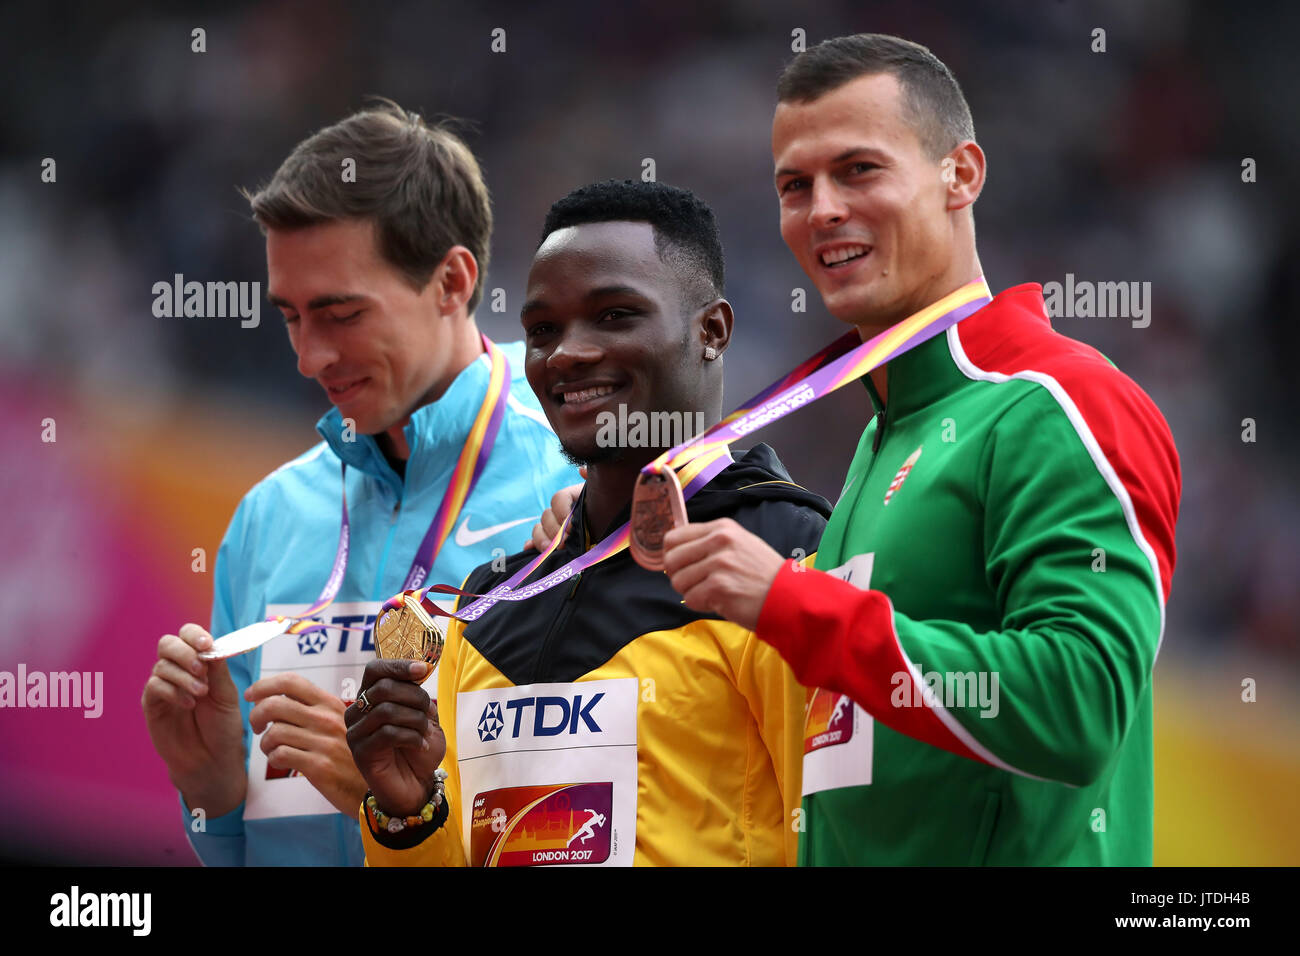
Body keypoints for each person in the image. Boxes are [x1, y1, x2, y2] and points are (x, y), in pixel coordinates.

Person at [658, 34, 1182, 865]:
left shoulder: (1055, 400)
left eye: (858, 170)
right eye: (795, 186)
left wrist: (795, 605)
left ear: (961, 175)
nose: (822, 207)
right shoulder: (880, 438)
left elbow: (1082, 705)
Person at [140, 101, 580, 866]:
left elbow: (604, 826)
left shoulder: (578, 487)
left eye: (340, 315)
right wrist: (209, 789)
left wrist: (402, 811)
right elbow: (241, 851)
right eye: (290, 318)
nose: (310, 358)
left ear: (452, 280)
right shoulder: (268, 518)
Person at [345, 180, 832, 866]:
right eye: (543, 330)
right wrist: (408, 814)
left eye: (614, 315)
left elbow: (847, 836)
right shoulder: (487, 605)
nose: (567, 353)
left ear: (711, 330)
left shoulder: (792, 553)